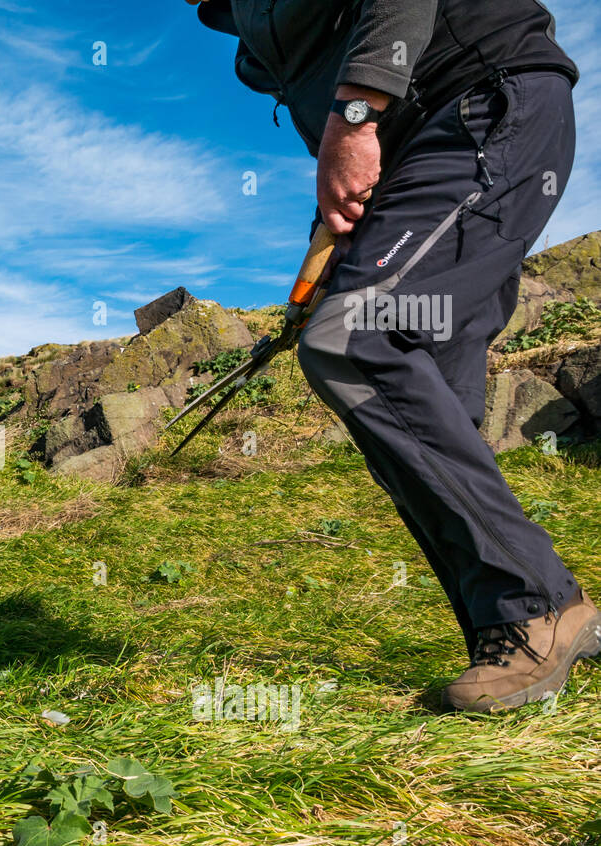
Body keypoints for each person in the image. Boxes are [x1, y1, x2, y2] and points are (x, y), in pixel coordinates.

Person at [188, 0, 599, 712]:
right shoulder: (251, 36)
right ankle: (515, 632)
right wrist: (330, 239)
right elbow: (350, 158)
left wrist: (352, 117)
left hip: (481, 107)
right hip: (423, 158)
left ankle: (535, 606)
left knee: (356, 339)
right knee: (430, 404)